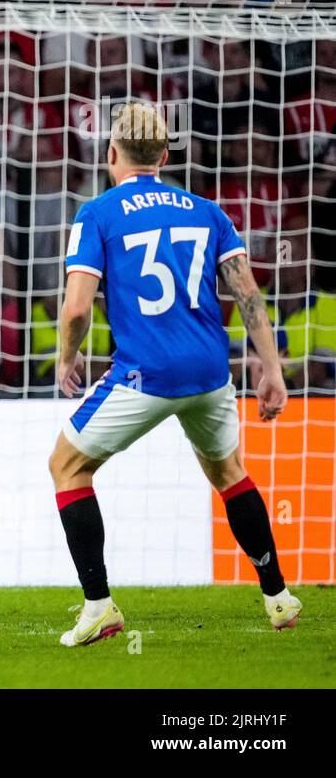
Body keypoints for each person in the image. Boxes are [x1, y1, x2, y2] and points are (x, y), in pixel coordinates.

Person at [52, 102, 301, 647]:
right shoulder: (207, 210)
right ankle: (278, 597)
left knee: (67, 466)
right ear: (164, 156)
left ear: (111, 153)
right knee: (229, 472)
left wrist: (68, 358)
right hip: (211, 372)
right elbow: (249, 294)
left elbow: (75, 309)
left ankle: (99, 606)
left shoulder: (98, 213)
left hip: (147, 373)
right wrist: (273, 371)